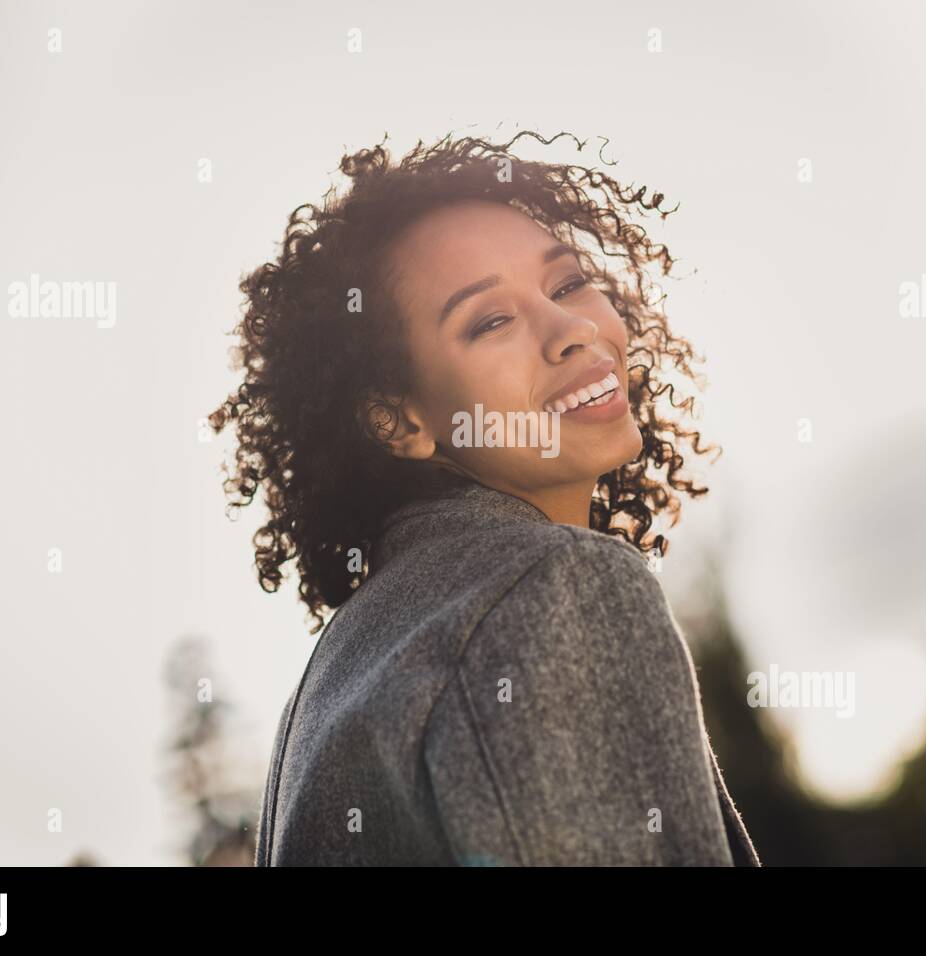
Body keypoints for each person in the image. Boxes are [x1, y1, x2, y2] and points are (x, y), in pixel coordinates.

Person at [210, 131, 761, 866]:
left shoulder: (324, 693)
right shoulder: (555, 587)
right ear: (400, 421)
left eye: (568, 284)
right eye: (491, 321)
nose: (572, 330)